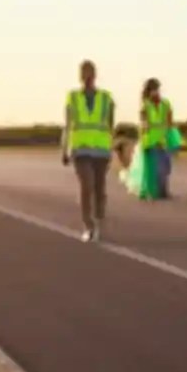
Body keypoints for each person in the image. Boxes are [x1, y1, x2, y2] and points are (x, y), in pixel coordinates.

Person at [61, 60, 115, 242]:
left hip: (101, 150)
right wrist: (64, 148)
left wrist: (112, 148)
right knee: (87, 186)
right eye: (84, 72)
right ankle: (88, 225)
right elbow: (68, 124)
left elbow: (110, 125)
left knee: (100, 189)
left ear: (95, 74)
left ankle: (99, 222)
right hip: (81, 150)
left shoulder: (106, 98)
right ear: (80, 76)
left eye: (90, 72)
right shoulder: (73, 97)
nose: (87, 76)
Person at [139, 78, 174, 200]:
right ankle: (156, 191)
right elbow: (144, 125)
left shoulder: (166, 104)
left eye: (157, 89)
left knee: (166, 167)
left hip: (164, 140)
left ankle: (163, 190)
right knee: (155, 168)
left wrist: (172, 138)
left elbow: (170, 122)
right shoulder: (146, 106)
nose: (156, 92)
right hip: (151, 141)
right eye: (153, 90)